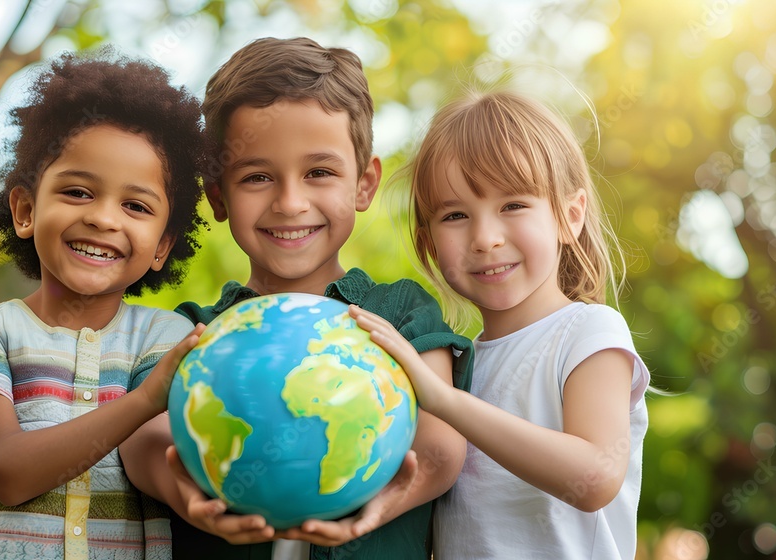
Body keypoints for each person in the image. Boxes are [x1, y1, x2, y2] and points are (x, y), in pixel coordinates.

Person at [117, 37, 475, 560]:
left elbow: (441, 447)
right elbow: (140, 438)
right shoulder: (193, 331)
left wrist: (380, 509)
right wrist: (188, 499)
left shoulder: (401, 311)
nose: (290, 202)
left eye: (319, 173)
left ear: (364, 183)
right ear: (218, 195)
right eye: (257, 176)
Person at [0, 48, 209, 560]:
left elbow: (165, 453)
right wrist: (145, 399)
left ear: (162, 246)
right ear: (24, 210)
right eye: (79, 192)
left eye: (135, 205)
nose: (105, 219)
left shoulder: (165, 340)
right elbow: (7, 472)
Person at [348, 90, 650, 559]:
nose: (485, 238)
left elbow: (594, 477)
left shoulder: (590, 333)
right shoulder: (454, 361)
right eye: (455, 215)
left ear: (569, 217)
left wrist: (446, 402)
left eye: (513, 205)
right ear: (428, 244)